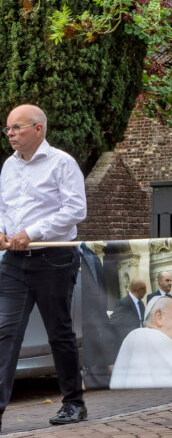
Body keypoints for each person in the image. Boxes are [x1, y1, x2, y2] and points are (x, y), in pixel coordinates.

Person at [0, 104, 88, 426]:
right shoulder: (8, 167)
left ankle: (73, 403)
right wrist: (2, 230)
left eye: (17, 128)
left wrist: (32, 232)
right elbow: (4, 207)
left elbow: (75, 210)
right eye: (8, 129)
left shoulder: (62, 163)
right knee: (5, 333)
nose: (11, 134)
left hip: (53, 257)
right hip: (13, 261)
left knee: (59, 332)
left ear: (38, 129)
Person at [109, 278, 149, 343]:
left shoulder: (141, 304)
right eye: (144, 290)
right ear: (139, 290)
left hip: (141, 340)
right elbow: (113, 323)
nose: (146, 293)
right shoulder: (123, 303)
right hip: (128, 341)